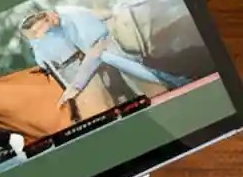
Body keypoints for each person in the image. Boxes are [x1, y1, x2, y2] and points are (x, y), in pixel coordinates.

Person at [19, 6, 192, 107]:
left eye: (39, 28)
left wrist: (76, 86)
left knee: (108, 57)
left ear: (46, 17)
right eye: (36, 33)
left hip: (111, 42)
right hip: (106, 40)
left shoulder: (69, 15)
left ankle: (176, 81)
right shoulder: (60, 22)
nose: (40, 33)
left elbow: (96, 50)